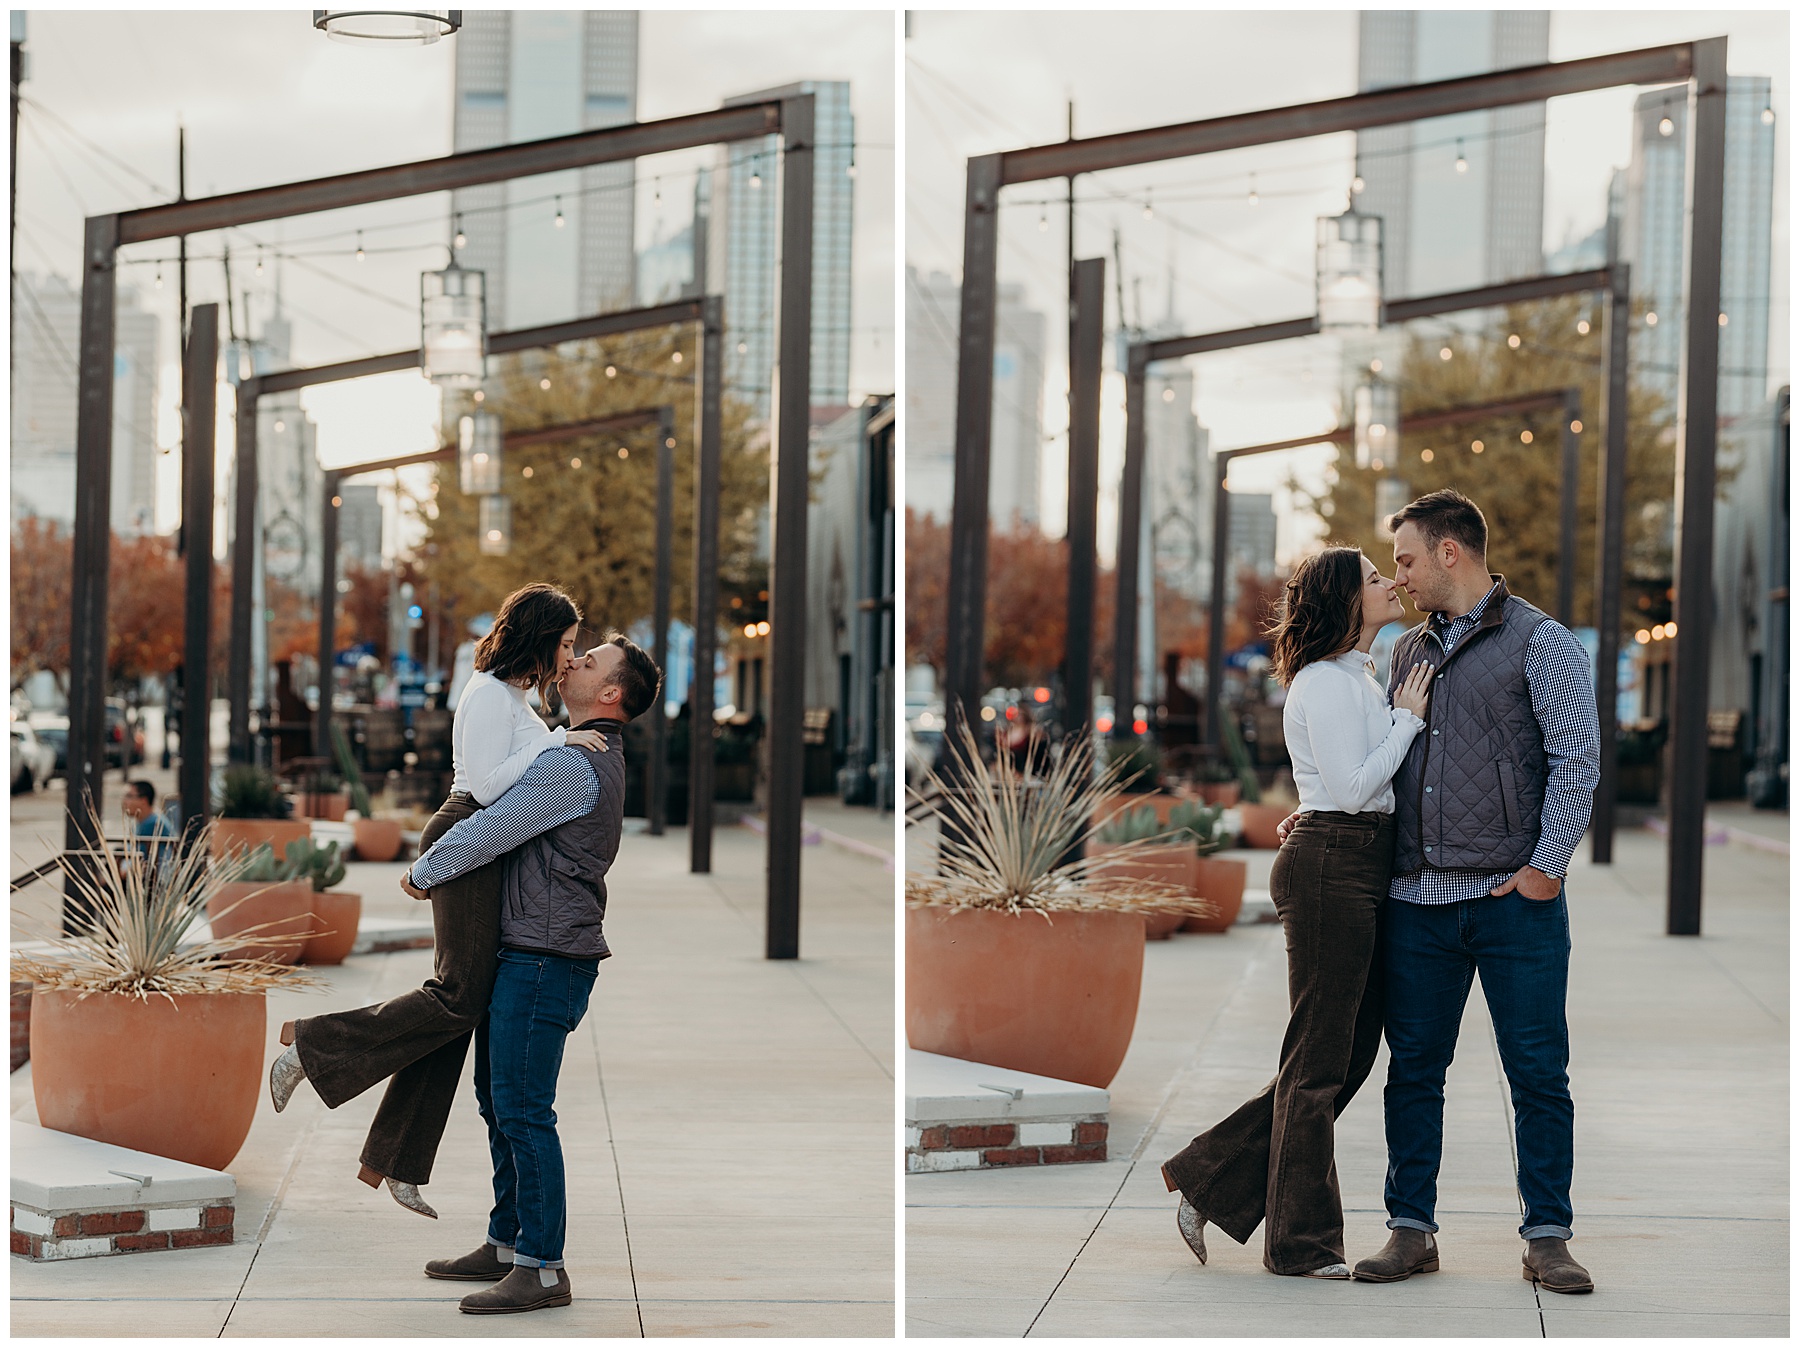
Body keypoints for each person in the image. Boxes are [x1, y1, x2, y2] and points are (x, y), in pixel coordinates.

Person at [1283, 490, 1601, 1293]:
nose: (1401, 576)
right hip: (1416, 904)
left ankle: (1548, 1236)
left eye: (1408, 559)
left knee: (1537, 1072)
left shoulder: (1544, 643)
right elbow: (1388, 763)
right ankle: (1410, 1231)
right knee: (1415, 1072)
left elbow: (1576, 762)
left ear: (1450, 552)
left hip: (1511, 902)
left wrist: (1546, 867)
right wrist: (1315, 812)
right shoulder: (1404, 654)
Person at [268, 584, 610, 1218]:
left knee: (462, 1004)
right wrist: (555, 745)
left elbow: (520, 772)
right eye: (565, 645)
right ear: (538, 639)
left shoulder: (511, 698)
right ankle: (310, 1051)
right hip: (466, 829)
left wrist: (552, 740)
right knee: (456, 996)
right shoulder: (486, 694)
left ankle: (398, 1160)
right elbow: (485, 784)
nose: (570, 658)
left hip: (481, 834)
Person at [1160, 547, 1433, 1278]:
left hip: (1353, 859)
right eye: (1376, 578)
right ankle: (1301, 1245)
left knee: (1346, 1057)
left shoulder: (1359, 677)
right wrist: (1407, 723)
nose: (1391, 583)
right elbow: (1349, 788)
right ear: (1348, 601)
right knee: (1317, 1065)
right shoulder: (1326, 682)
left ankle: (1206, 1176)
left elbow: (1351, 789)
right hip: (1333, 865)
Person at [401, 633, 661, 1315]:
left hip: (547, 958)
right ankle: (508, 1241)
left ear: (611, 695)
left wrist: (424, 871)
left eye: (592, 660)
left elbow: (492, 829)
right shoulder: (569, 750)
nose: (574, 661)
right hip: (532, 949)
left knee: (522, 1107)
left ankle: (543, 1269)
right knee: (499, 1097)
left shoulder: (574, 768)